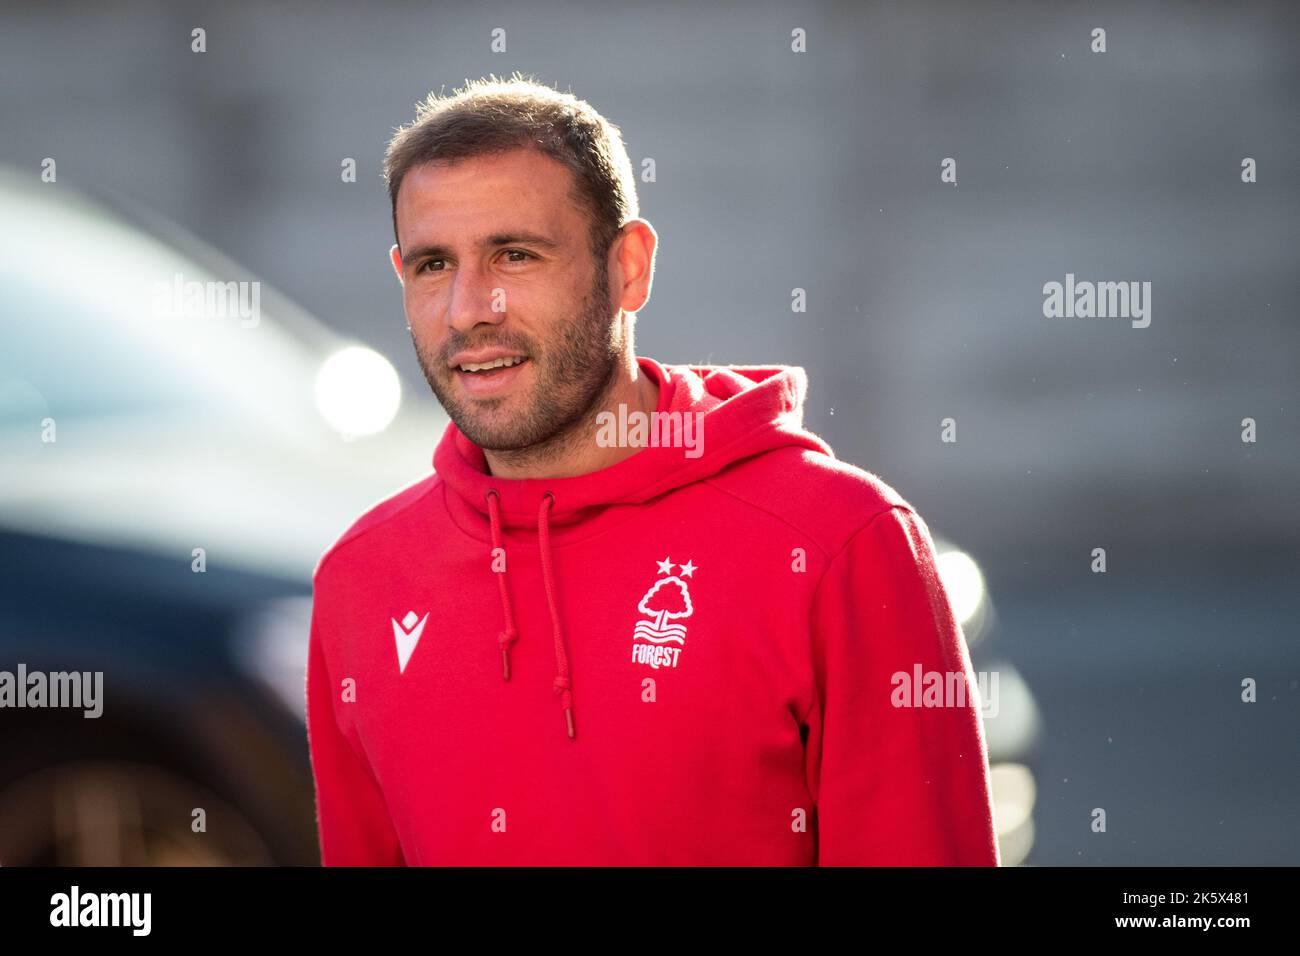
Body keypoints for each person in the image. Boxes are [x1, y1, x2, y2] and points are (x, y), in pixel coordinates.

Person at [306, 74, 1000, 866]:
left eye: (516, 254)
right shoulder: (361, 580)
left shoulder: (839, 544)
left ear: (628, 268)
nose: (469, 308)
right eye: (434, 266)